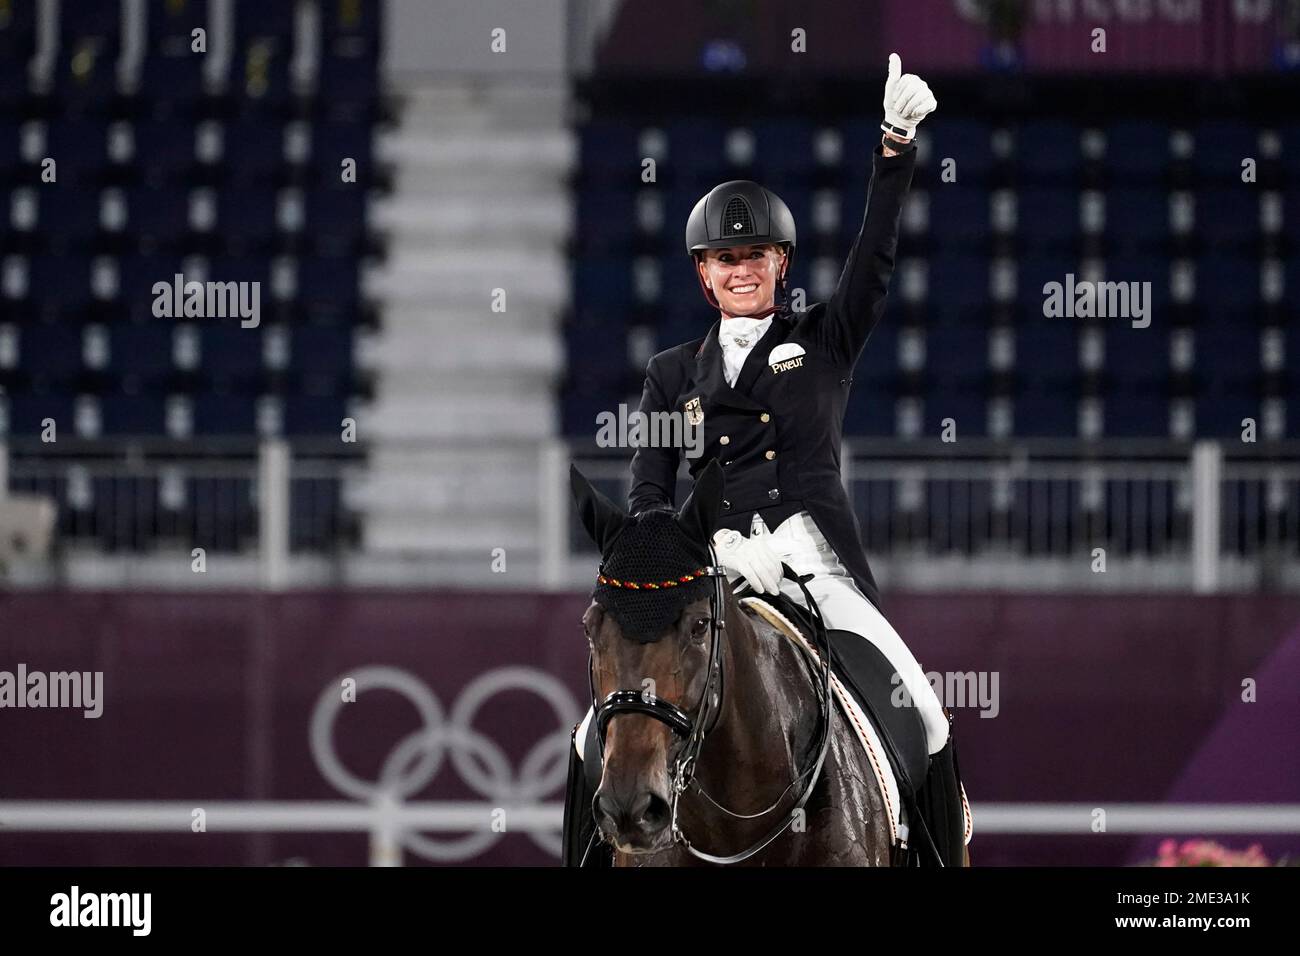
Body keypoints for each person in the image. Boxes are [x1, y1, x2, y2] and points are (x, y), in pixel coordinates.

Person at [568, 54, 968, 866]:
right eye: (726, 258)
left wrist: (894, 150)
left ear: (781, 264)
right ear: (704, 274)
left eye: (757, 255)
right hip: (711, 572)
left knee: (923, 711)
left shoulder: (823, 340)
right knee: (589, 739)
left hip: (817, 567)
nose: (742, 268)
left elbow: (873, 266)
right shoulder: (672, 374)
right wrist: (677, 554)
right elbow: (649, 493)